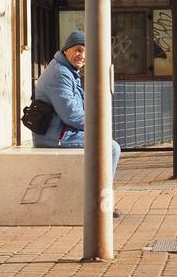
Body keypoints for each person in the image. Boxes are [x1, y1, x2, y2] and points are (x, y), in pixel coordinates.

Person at [33, 29, 122, 185]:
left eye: (86, 52)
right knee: (111, 148)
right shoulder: (59, 74)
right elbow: (71, 115)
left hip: (62, 132)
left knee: (107, 143)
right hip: (55, 136)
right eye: (78, 50)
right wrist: (98, 127)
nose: (82, 55)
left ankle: (97, 198)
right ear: (66, 50)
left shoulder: (67, 70)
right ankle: (102, 201)